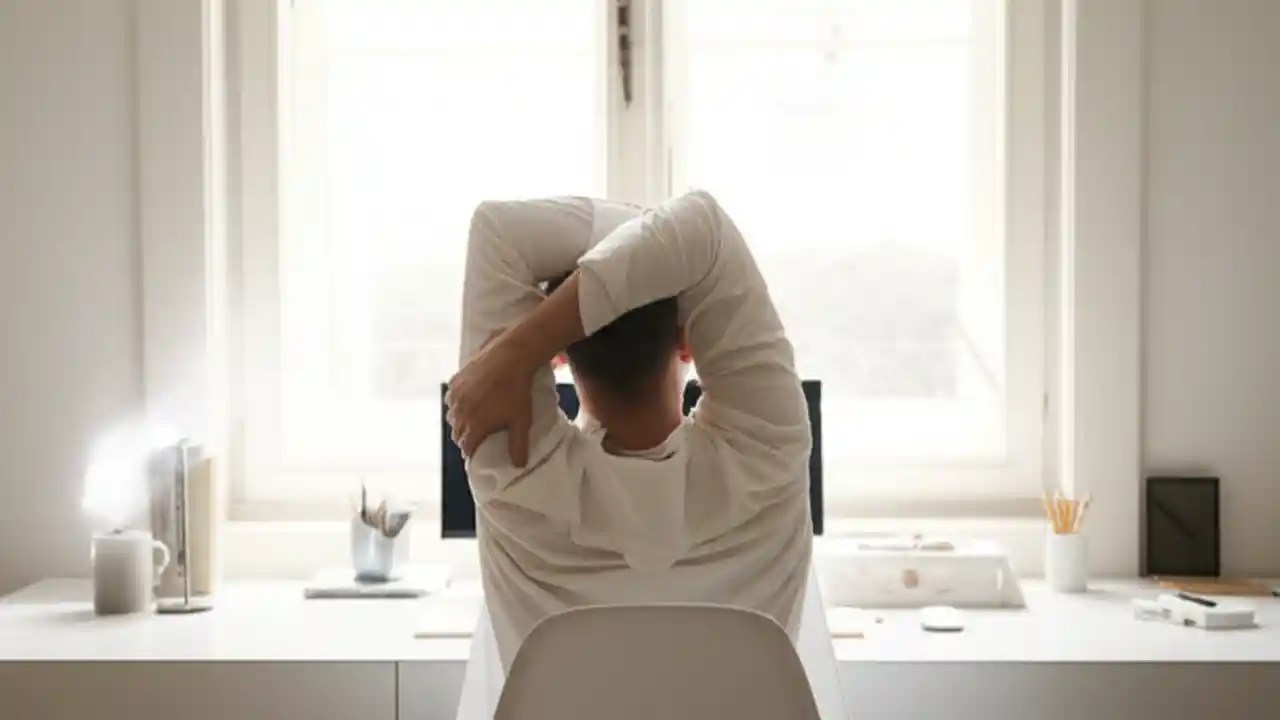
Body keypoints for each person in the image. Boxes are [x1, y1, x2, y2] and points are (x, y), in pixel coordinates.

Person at [446, 190, 813, 670]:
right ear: (688, 342)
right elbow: (704, 231)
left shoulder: (511, 474)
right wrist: (517, 349)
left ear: (557, 357)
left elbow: (498, 230)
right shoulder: (770, 451)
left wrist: (520, 350)